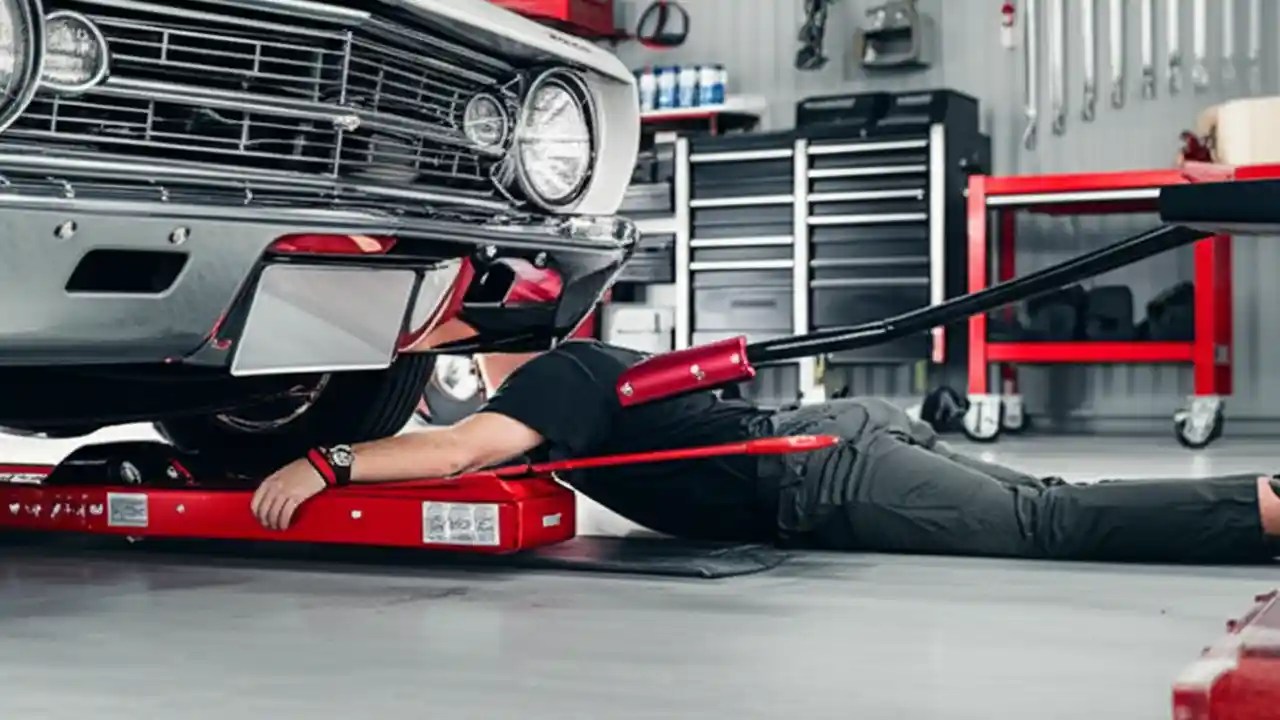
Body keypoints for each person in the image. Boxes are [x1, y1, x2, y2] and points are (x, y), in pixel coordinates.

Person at [251, 339, 1280, 564]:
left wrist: (325, 462)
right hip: (831, 448)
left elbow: (465, 449)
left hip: (823, 468)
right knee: (1054, 496)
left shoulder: (553, 379)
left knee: (1043, 523)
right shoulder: (575, 373)